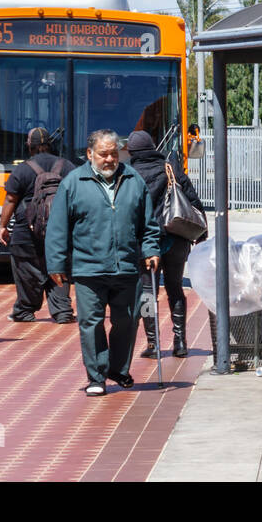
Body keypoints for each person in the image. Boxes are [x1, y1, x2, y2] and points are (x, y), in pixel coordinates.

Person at [45, 129, 162, 396]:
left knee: (127, 321)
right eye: (103, 154)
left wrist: (151, 249)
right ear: (90, 154)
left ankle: (118, 370)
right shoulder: (73, 183)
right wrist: (56, 264)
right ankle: (96, 376)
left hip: (127, 267)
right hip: (89, 268)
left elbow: (148, 224)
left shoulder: (134, 180)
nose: (109, 159)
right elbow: (58, 228)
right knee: (91, 322)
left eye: (113, 154)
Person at [123, 129, 204, 359]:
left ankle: (153, 343)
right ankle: (180, 342)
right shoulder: (170, 167)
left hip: (145, 242)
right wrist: (201, 232)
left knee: (147, 292)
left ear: (132, 151)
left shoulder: (129, 173)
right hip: (176, 237)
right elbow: (192, 199)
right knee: (175, 288)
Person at [0, 127, 75, 324]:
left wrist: (3, 226)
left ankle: (25, 310)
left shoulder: (22, 169)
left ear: (29, 146)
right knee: (59, 265)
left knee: (27, 270)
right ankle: (62, 311)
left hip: (26, 230)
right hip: (60, 229)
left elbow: (10, 199)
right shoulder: (67, 166)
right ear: (51, 144)